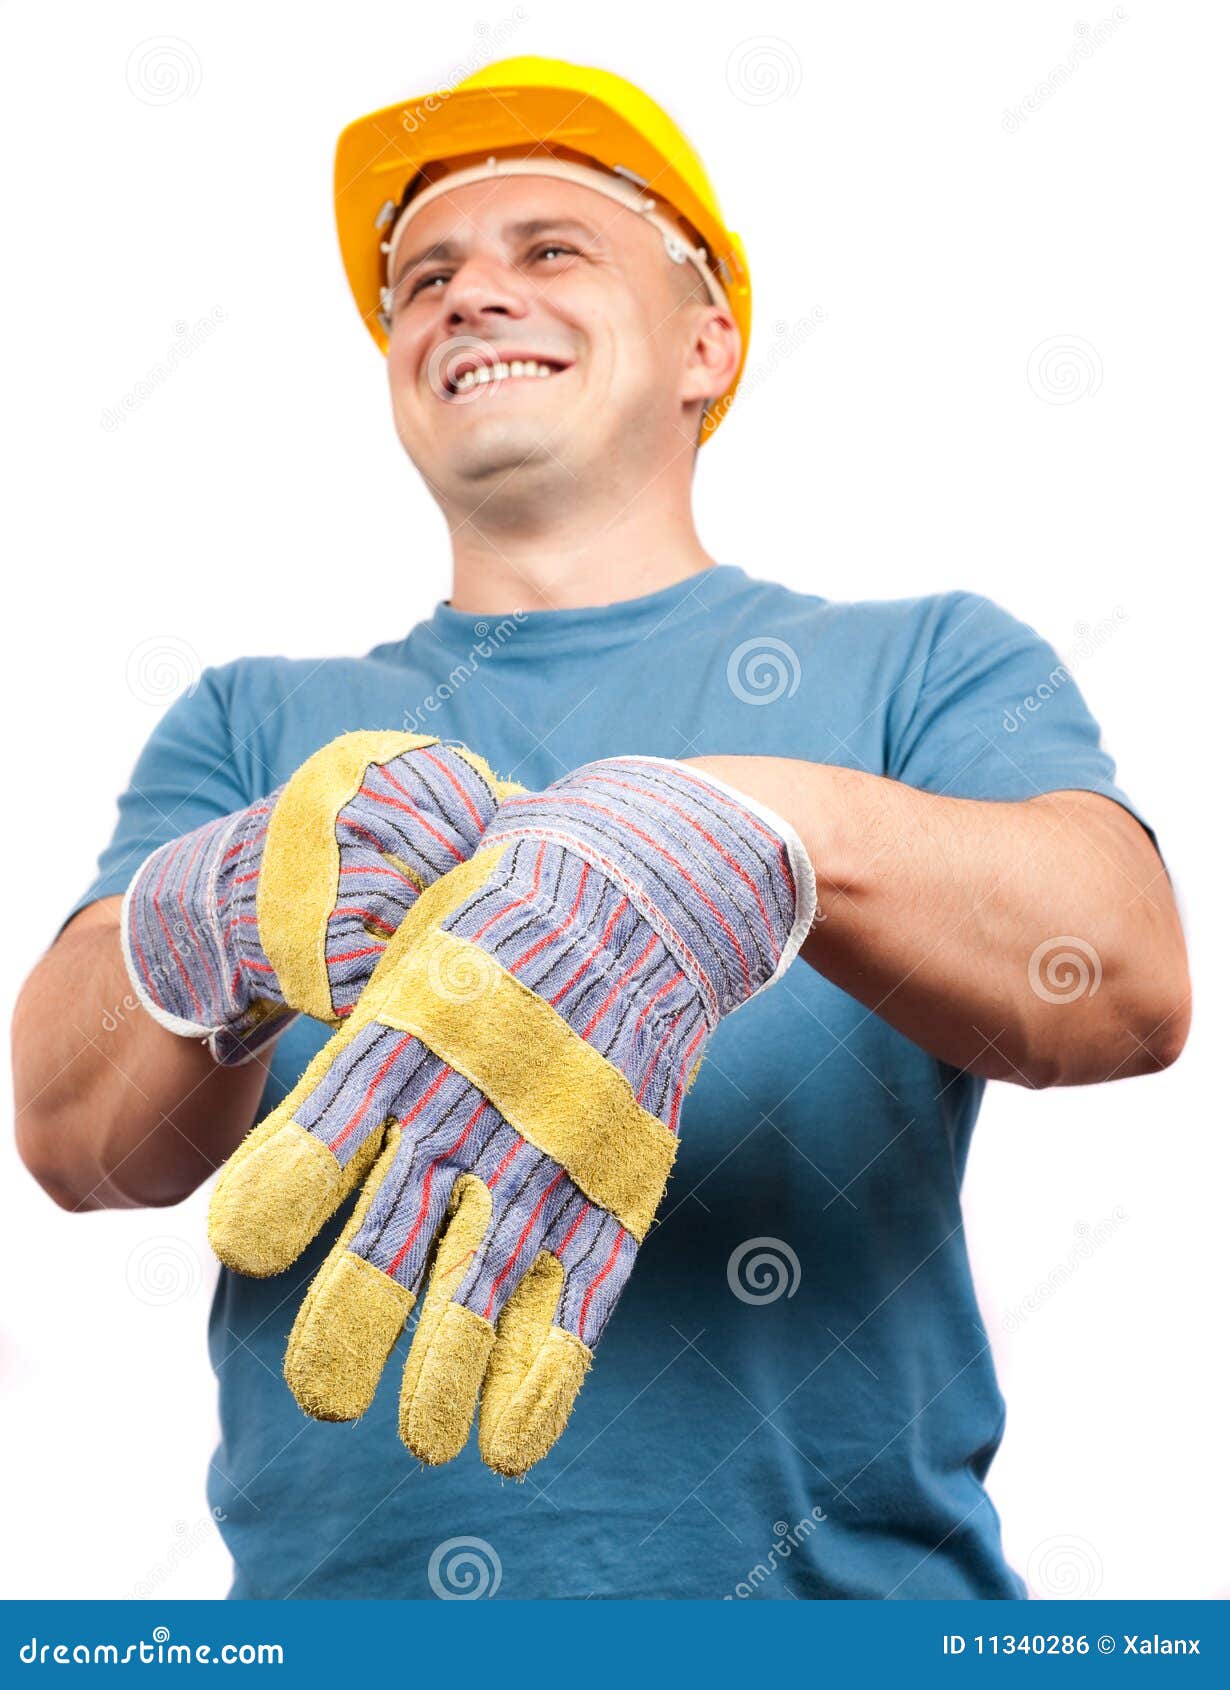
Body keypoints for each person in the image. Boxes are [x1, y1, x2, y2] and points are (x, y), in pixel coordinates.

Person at [12, 58, 1189, 1600]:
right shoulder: (253, 727)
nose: (468, 296)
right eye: (423, 276)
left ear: (709, 342)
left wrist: (754, 835)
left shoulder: (920, 664)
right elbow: (66, 1135)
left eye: (547, 249)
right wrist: (207, 916)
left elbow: (1117, 975)